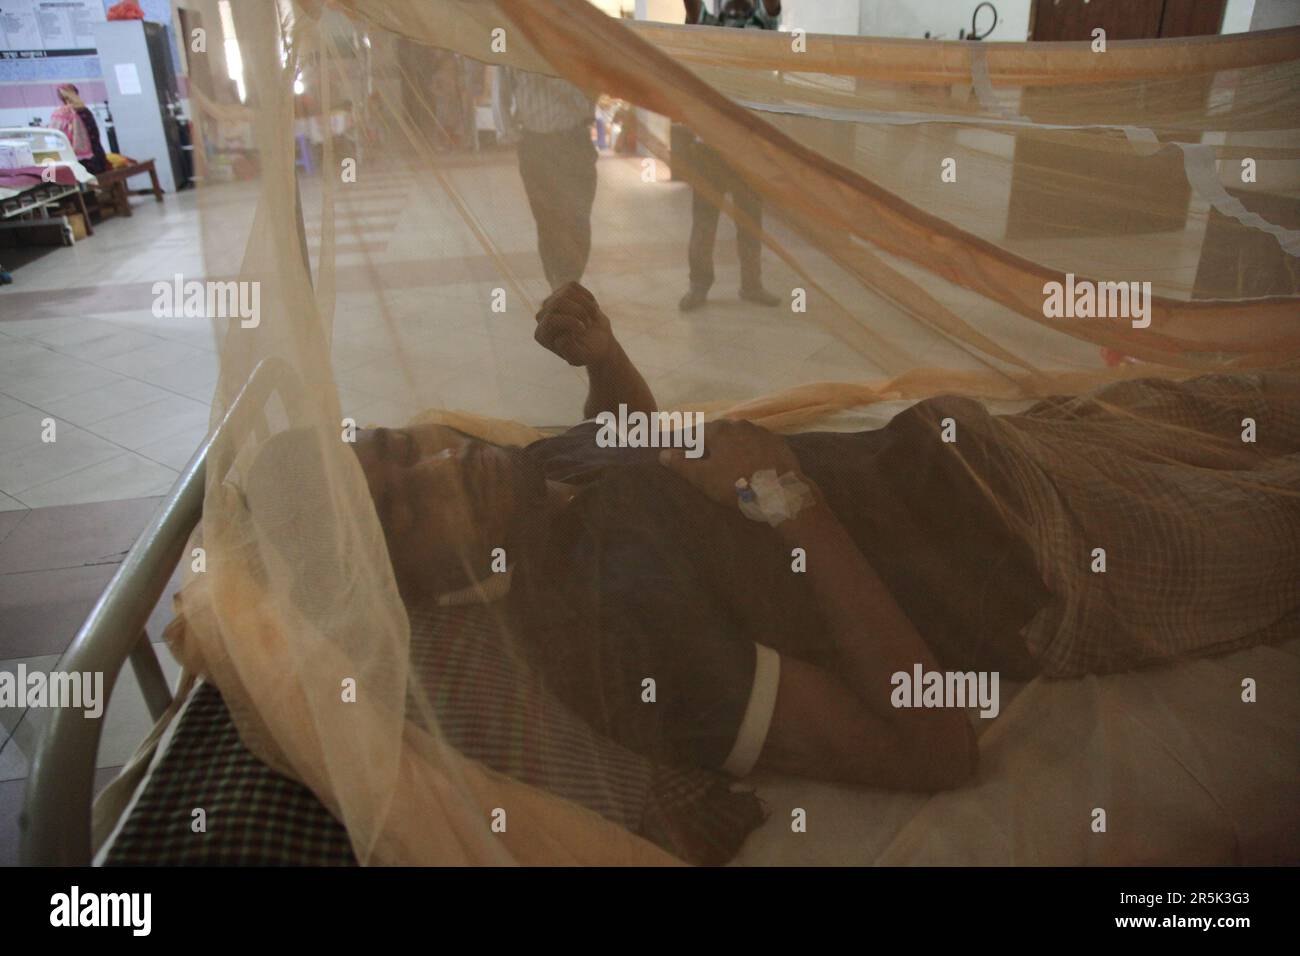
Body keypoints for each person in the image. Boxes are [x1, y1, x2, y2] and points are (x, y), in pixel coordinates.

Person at [325, 284, 1299, 789]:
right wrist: (784, 494)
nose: (442, 461)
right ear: (415, 586)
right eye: (407, 507)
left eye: (397, 445)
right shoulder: (610, 636)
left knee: (1253, 404)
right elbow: (929, 748)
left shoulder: (529, 483)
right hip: (1052, 559)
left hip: (989, 448)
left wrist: (607, 358)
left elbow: (625, 445)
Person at [677, 0, 783, 312]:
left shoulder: (762, 24)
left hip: (748, 150)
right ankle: (698, 286)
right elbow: (692, 8)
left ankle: (751, 285)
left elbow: (774, 7)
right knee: (704, 224)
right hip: (708, 148)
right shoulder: (709, 24)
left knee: (750, 223)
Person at [504, 68, 598, 290]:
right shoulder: (515, 45)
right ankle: (558, 282)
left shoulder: (571, 43)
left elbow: (595, 77)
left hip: (575, 141)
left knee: (578, 215)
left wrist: (589, 110)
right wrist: (512, 132)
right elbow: (502, 90)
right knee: (547, 219)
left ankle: (570, 279)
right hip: (537, 145)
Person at [50, 84, 109, 175]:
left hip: (80, 163)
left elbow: (53, 135)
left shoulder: (62, 113)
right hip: (98, 160)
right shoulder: (85, 111)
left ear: (61, 97)